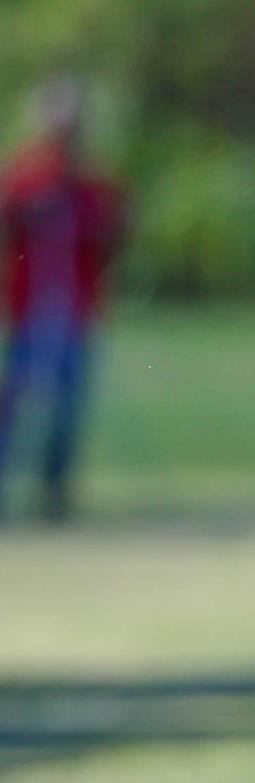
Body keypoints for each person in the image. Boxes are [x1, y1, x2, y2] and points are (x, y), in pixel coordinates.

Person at [0, 80, 124, 522]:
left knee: (68, 404)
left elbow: (113, 232)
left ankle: (55, 491)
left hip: (75, 307)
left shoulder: (93, 184)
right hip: (29, 307)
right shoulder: (22, 177)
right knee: (13, 400)